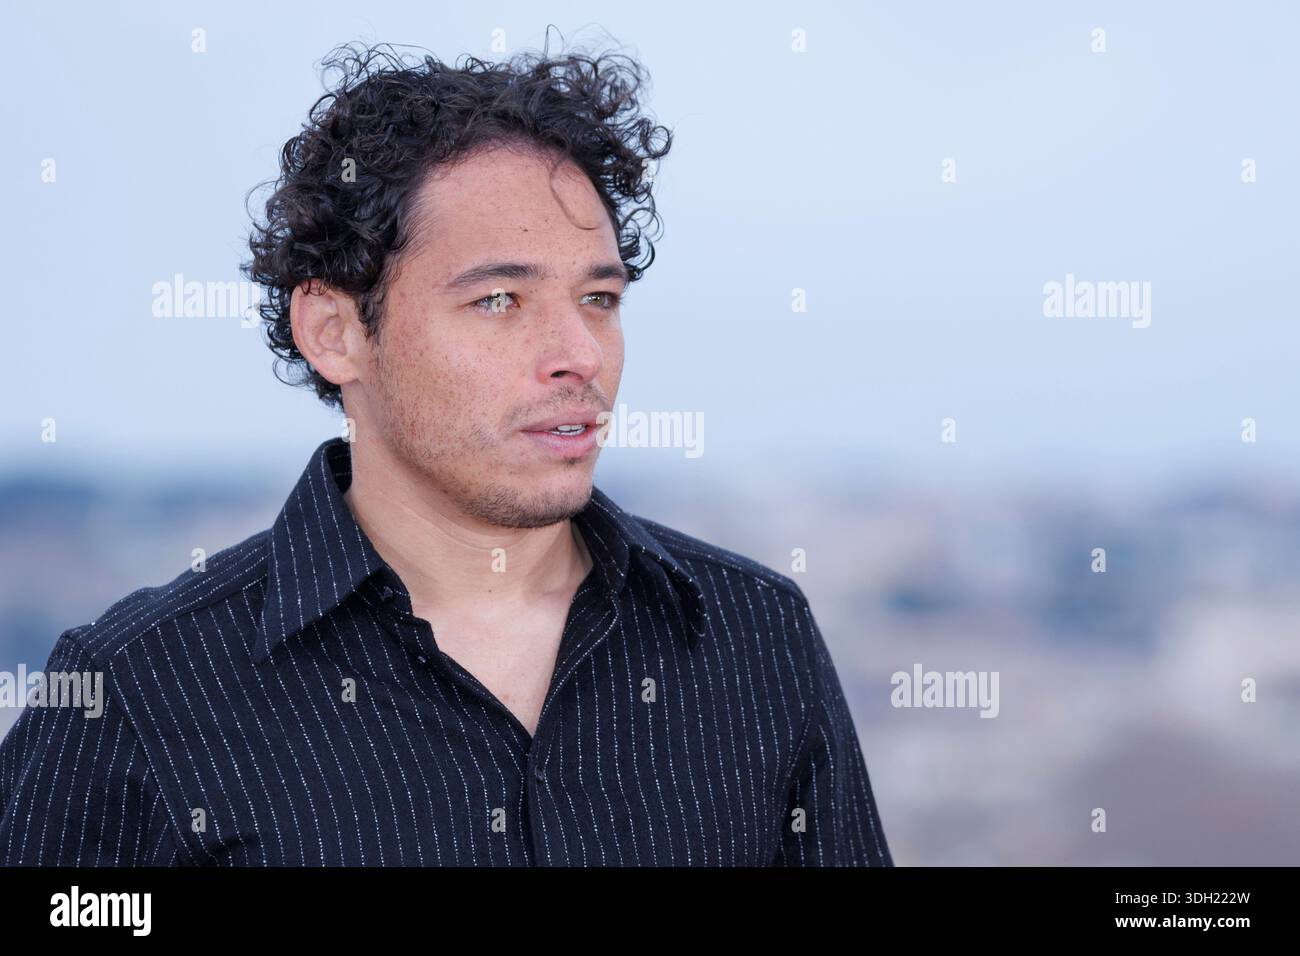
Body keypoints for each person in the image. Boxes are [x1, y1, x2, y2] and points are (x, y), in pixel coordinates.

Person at [0, 42, 892, 866]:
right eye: (500, 299)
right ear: (335, 330)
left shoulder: (752, 636)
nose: (579, 353)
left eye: (599, 298)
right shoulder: (141, 688)